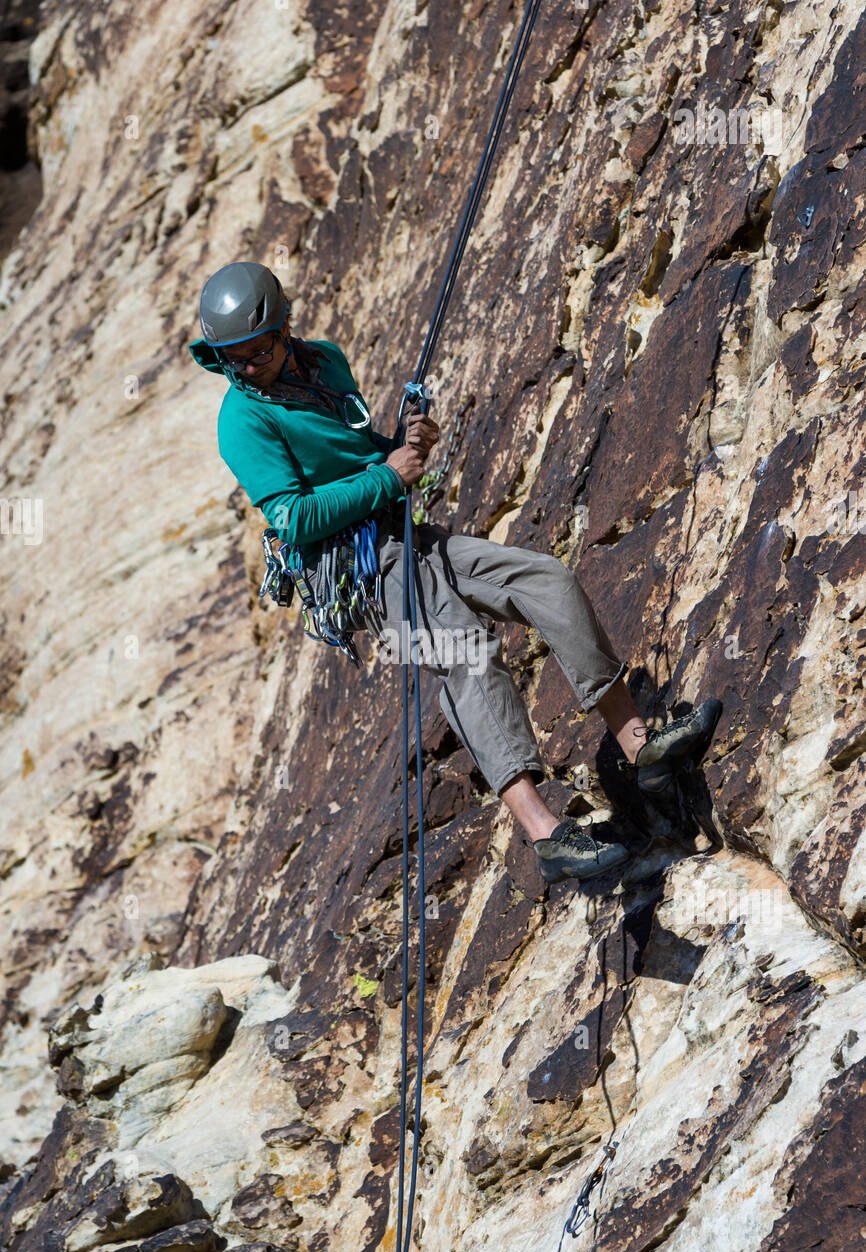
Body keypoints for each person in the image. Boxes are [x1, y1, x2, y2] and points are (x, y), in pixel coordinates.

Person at [190, 262, 722, 884]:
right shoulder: (242, 420)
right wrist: (388, 475)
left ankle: (640, 746)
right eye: (234, 359)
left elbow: (361, 456)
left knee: (544, 578)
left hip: (405, 533)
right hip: (358, 569)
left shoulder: (326, 362)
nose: (246, 368)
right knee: (464, 652)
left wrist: (406, 442)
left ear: (285, 329)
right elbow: (295, 518)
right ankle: (547, 836)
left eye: (256, 352)